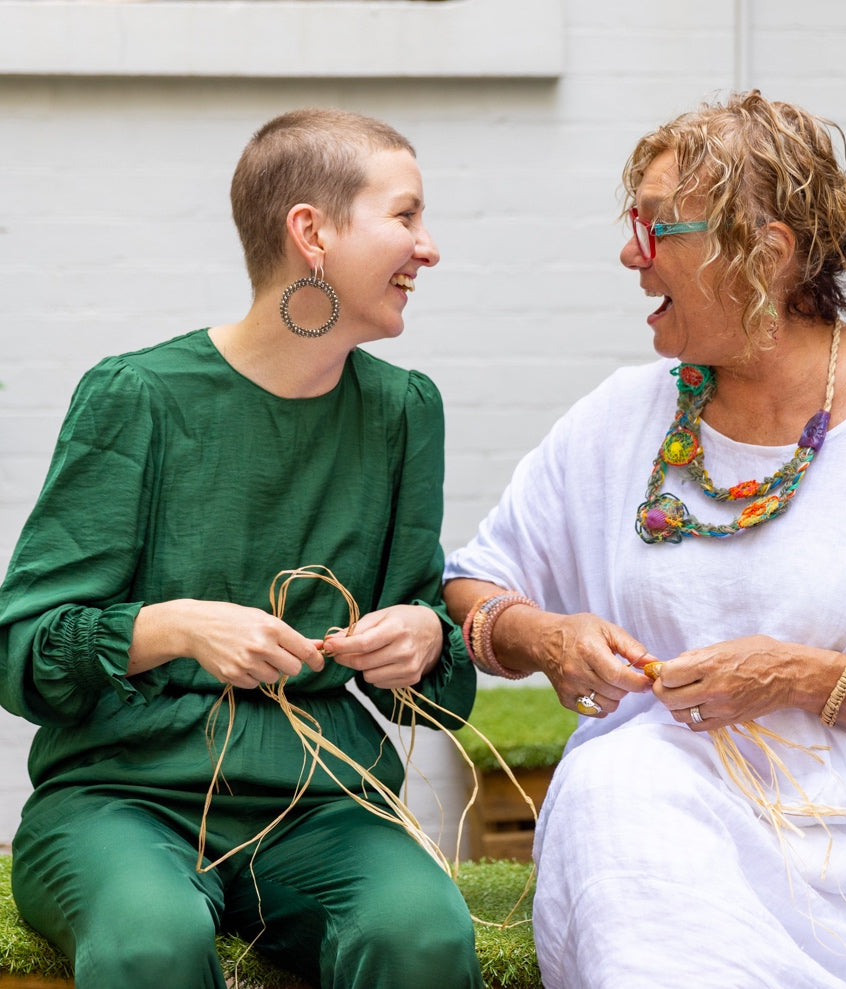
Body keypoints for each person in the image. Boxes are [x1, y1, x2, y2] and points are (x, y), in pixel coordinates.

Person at [443, 90, 846, 988]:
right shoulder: (618, 420)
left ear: (766, 252)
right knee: (620, 784)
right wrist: (545, 637)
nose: (629, 255)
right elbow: (474, 582)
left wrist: (797, 676)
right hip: (654, 841)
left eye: (655, 228)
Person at [0, 108, 484, 989]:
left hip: (327, 807)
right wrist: (176, 625)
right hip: (123, 801)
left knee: (422, 937)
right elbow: (22, 651)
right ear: (312, 232)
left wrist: (418, 633)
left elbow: (437, 695)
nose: (428, 247)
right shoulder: (137, 395)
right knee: (150, 943)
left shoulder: (405, 410)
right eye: (405, 216)